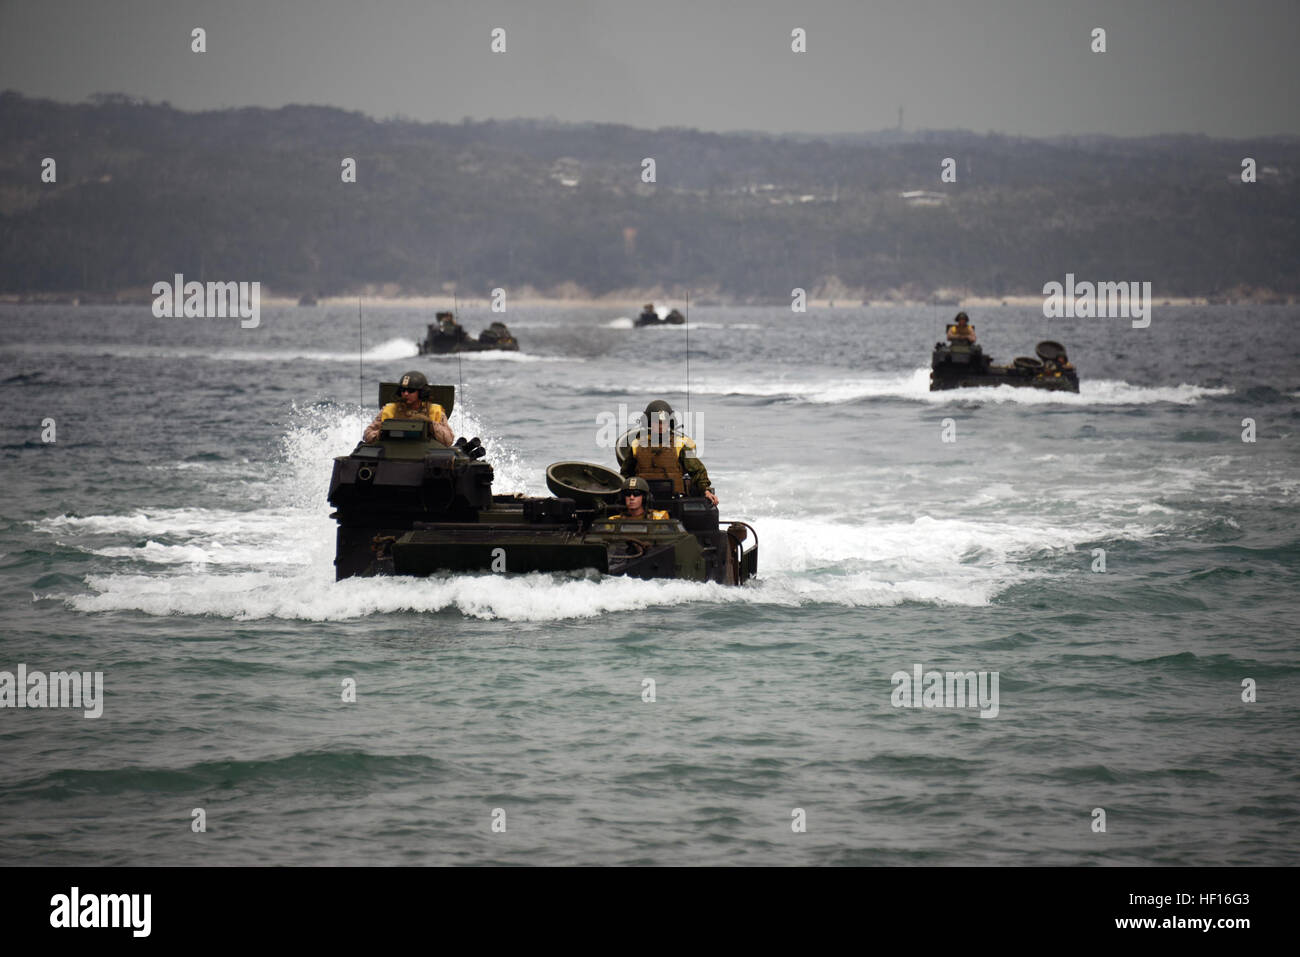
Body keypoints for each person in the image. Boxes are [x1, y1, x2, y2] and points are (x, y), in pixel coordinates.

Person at [620, 399, 719, 506]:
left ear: (670, 423)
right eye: (656, 422)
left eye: (664, 422)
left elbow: (698, 470)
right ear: (648, 422)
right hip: (644, 501)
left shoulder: (680, 445)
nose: (661, 426)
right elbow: (626, 474)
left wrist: (706, 490)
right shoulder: (636, 445)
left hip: (674, 500)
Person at [362, 371, 455, 444]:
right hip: (394, 452)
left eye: (411, 390)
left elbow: (448, 440)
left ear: (421, 392)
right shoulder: (389, 410)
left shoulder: (435, 412)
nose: (405, 394)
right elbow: (367, 435)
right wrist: (383, 432)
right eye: (403, 390)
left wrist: (430, 424)